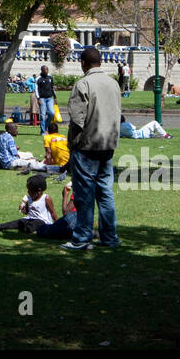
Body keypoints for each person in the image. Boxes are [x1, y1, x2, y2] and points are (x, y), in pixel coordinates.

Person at [63, 46, 120, 250]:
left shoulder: (83, 84)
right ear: (100, 62)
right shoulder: (113, 84)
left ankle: (82, 238)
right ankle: (109, 236)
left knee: (84, 194)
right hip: (108, 145)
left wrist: (73, 144)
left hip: (87, 146)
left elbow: (77, 120)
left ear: (83, 63)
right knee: (105, 192)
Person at [0, 176, 77, 240]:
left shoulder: (46, 198)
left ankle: (26, 230)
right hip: (30, 219)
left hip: (43, 221)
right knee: (19, 221)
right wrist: (24, 209)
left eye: (30, 190)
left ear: (39, 191)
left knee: (35, 223)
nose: (28, 192)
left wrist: (56, 224)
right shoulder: (29, 199)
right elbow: (28, 212)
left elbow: (53, 213)